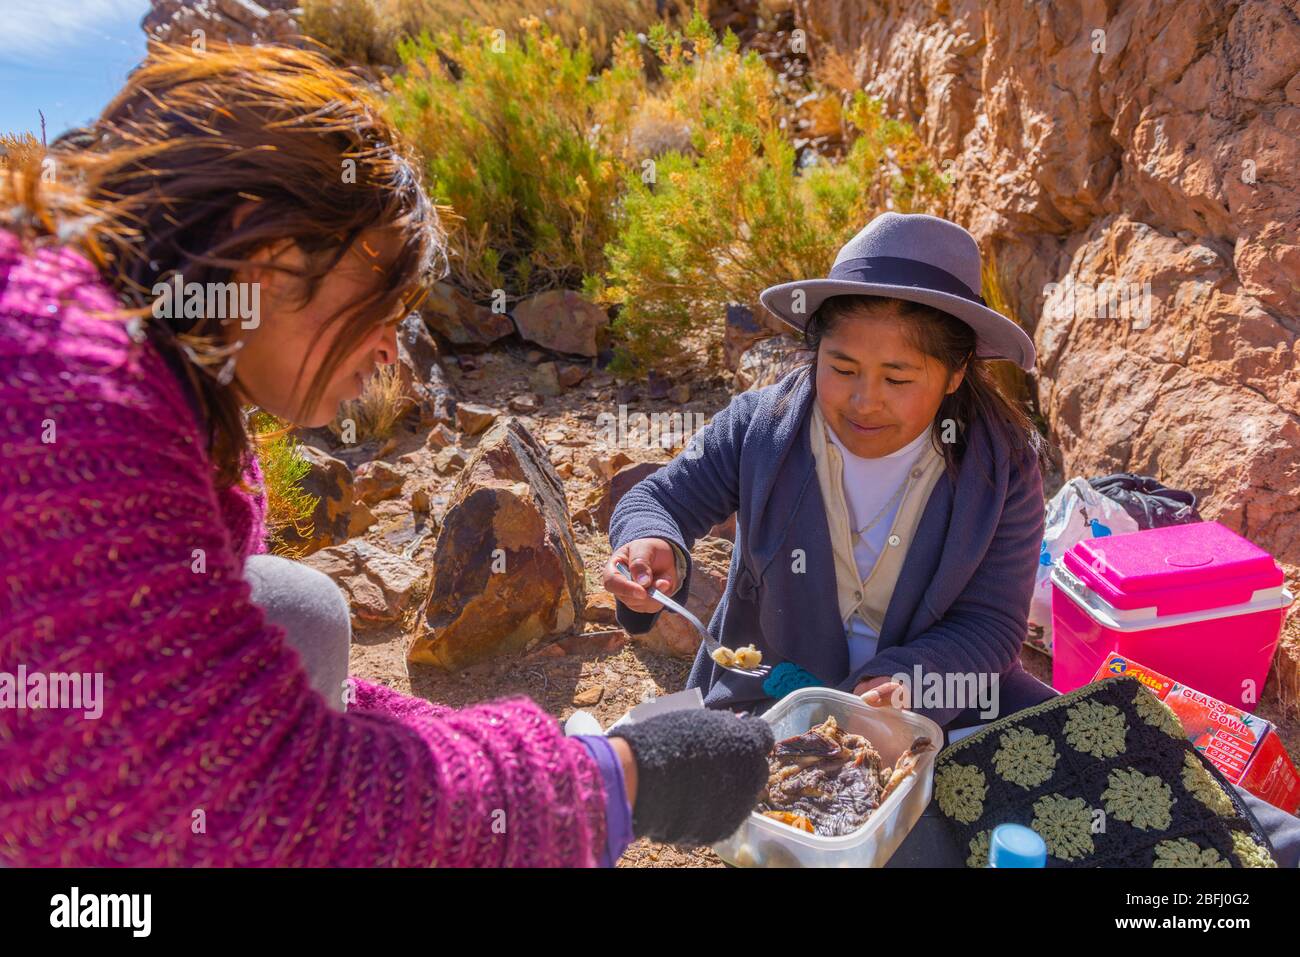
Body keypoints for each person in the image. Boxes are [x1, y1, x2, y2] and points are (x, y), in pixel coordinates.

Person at [0, 43, 773, 867]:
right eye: (377, 309)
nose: (389, 355)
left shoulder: (163, 364)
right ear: (266, 255)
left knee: (293, 610)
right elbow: (246, 797)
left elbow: (261, 699)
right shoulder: (76, 401)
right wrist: (618, 779)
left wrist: (545, 753)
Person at [604, 212, 1057, 730]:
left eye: (897, 379)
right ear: (817, 351)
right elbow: (658, 500)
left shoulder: (1001, 468)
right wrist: (650, 542)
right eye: (842, 369)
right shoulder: (761, 430)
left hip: (940, 708)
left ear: (955, 373)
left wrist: (906, 685)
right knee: (645, 762)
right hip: (767, 694)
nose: (864, 401)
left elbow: (990, 624)